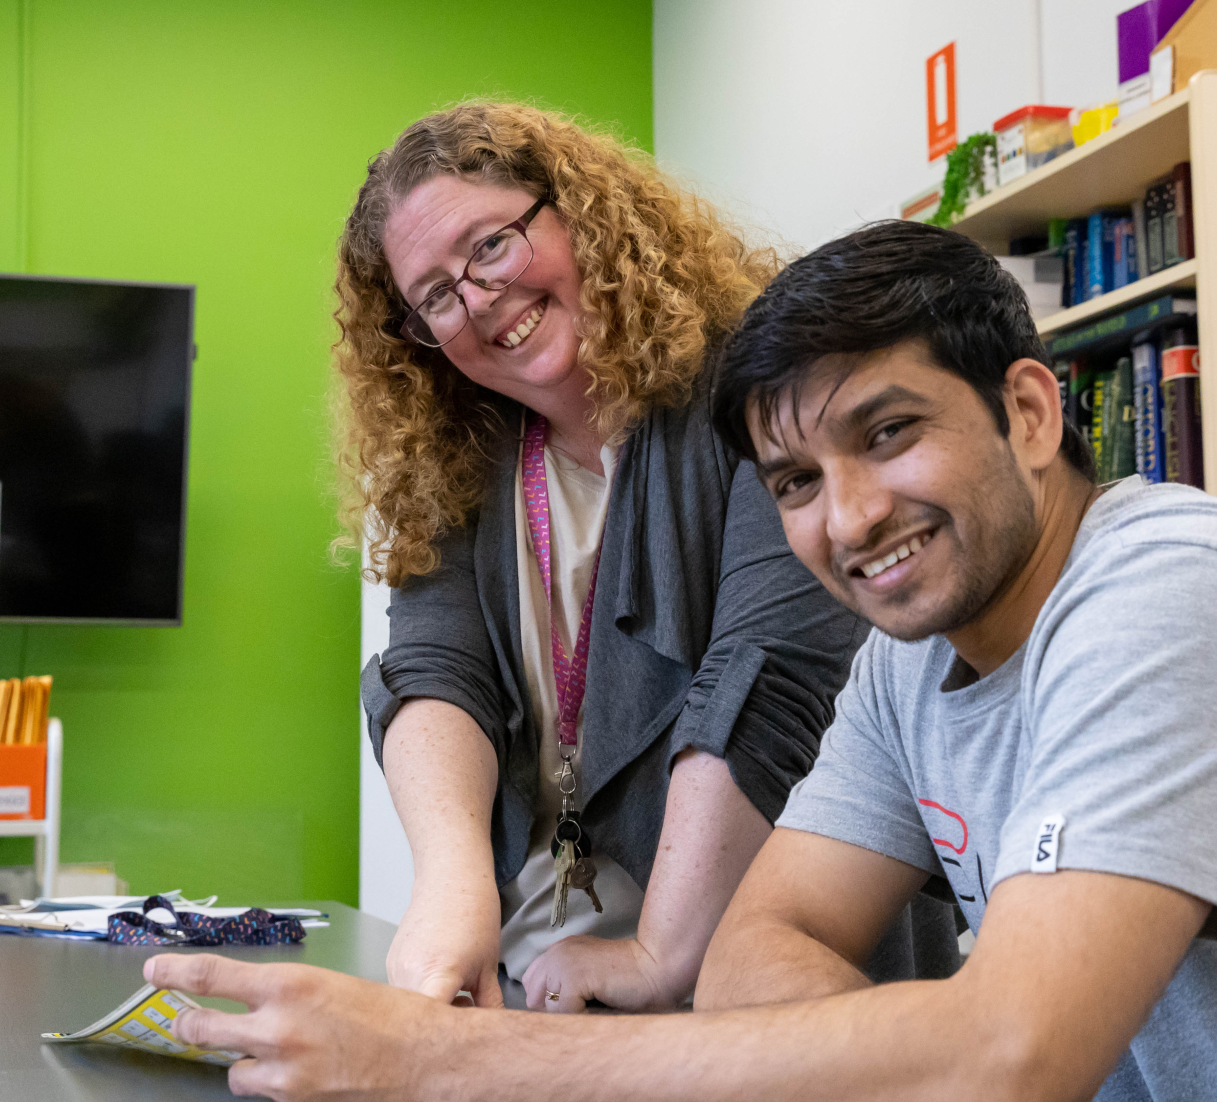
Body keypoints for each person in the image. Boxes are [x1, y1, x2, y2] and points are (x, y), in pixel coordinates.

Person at [146, 218, 1217, 1101]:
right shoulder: (906, 667)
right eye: (793, 480)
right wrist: (930, 1053)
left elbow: (1013, 1050)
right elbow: (755, 950)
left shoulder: (1161, 584)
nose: (848, 519)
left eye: (887, 432)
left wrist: (447, 1061)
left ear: (1027, 412)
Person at [335, 103, 957, 1014]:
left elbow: (772, 672)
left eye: (491, 246)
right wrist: (451, 887)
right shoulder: (454, 449)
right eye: (433, 296)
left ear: (579, 212)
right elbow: (436, 670)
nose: (475, 302)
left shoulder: (758, 385)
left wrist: (660, 951)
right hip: (545, 986)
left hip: (766, 978)